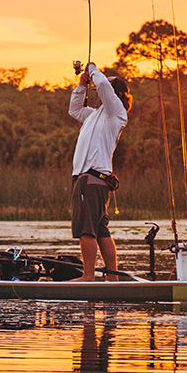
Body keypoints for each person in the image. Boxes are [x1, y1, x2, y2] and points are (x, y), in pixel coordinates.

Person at [68, 62, 132, 281]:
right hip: (91, 180)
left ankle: (88, 276)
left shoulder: (117, 113)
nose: (98, 92)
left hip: (92, 179)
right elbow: (74, 109)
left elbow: (104, 84)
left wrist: (92, 68)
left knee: (87, 230)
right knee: (101, 230)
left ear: (115, 95)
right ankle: (112, 277)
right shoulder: (94, 116)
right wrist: (82, 84)